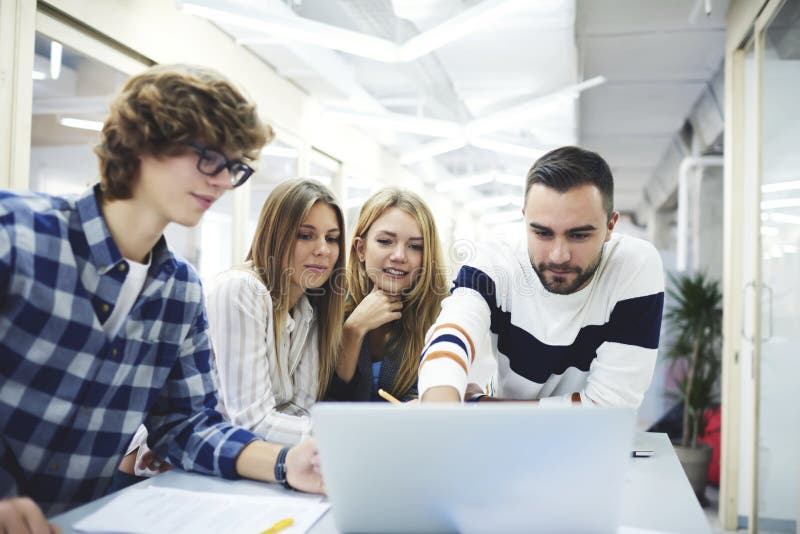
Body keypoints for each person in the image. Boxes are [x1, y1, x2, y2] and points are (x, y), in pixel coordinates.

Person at [0, 65, 323, 531]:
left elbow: (187, 425)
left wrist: (287, 463)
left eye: (234, 167)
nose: (221, 181)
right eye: (210, 157)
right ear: (142, 140)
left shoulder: (180, 291)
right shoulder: (17, 235)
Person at [418, 146, 665, 405]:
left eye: (579, 235)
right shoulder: (494, 261)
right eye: (543, 233)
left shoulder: (633, 266)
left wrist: (480, 406)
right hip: (506, 436)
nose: (559, 256)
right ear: (525, 220)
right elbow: (449, 338)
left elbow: (609, 409)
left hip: (586, 442)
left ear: (610, 226)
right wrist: (439, 401)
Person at [206, 179, 346, 445]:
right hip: (167, 469)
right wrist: (348, 435)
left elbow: (301, 408)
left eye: (332, 238)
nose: (323, 250)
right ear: (275, 235)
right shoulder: (240, 289)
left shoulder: (307, 307)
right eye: (305, 235)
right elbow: (252, 422)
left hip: (239, 463)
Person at [326, 188, 449, 402]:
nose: (399, 256)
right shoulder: (328, 305)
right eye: (385, 241)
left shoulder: (441, 314)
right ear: (360, 249)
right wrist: (353, 331)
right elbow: (332, 403)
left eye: (415, 246)